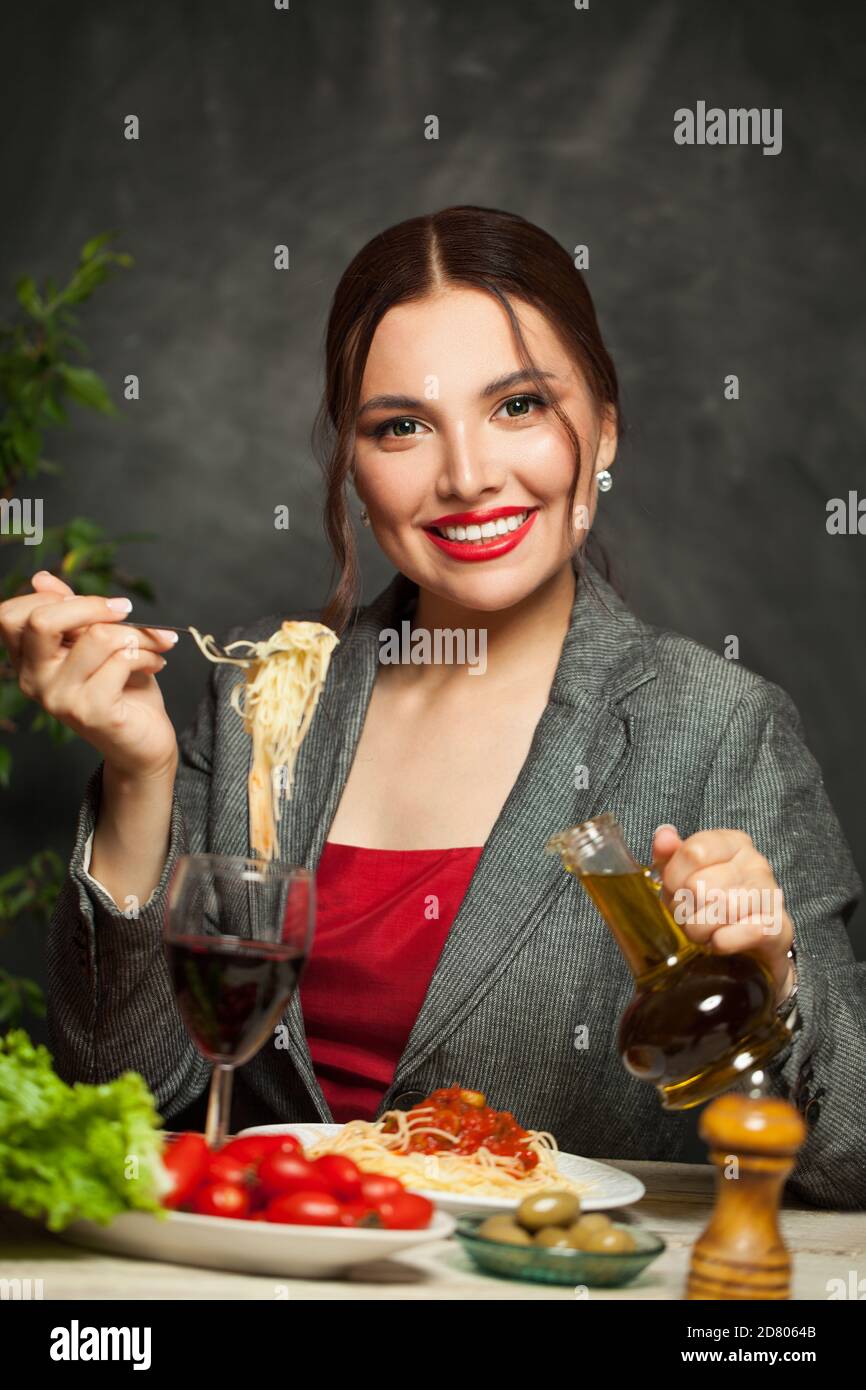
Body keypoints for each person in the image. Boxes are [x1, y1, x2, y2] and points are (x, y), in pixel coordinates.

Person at [3, 206, 863, 1208]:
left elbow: (851, 1157)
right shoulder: (257, 710)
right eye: (401, 425)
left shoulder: (721, 729)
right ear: (353, 464)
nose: (464, 476)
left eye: (517, 407)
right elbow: (125, 1105)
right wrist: (138, 776)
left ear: (605, 430)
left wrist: (772, 986)